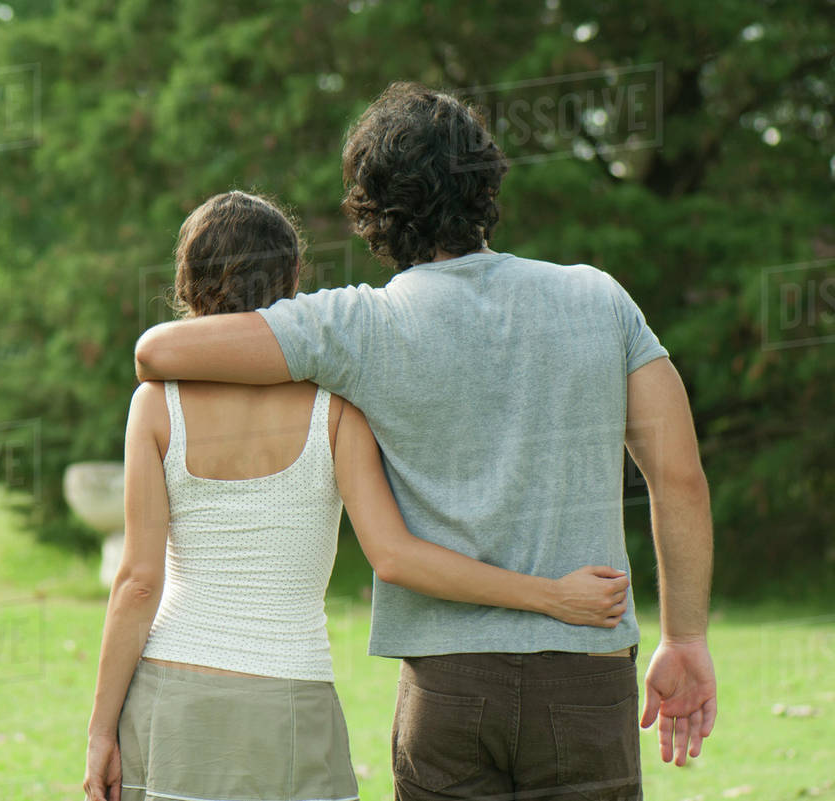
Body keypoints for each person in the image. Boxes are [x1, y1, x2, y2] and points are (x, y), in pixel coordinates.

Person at [133, 84, 717, 800]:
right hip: (587, 675)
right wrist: (684, 637)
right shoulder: (600, 298)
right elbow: (680, 478)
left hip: (447, 687)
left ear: (371, 214)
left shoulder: (357, 327)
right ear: (486, 183)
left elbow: (159, 350)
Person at [85, 190, 631, 801]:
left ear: (187, 282)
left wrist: (101, 731)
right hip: (293, 704)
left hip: (171, 702)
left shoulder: (155, 404)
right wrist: (552, 596)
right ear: (293, 278)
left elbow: (137, 582)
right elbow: (394, 557)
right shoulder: (336, 404)